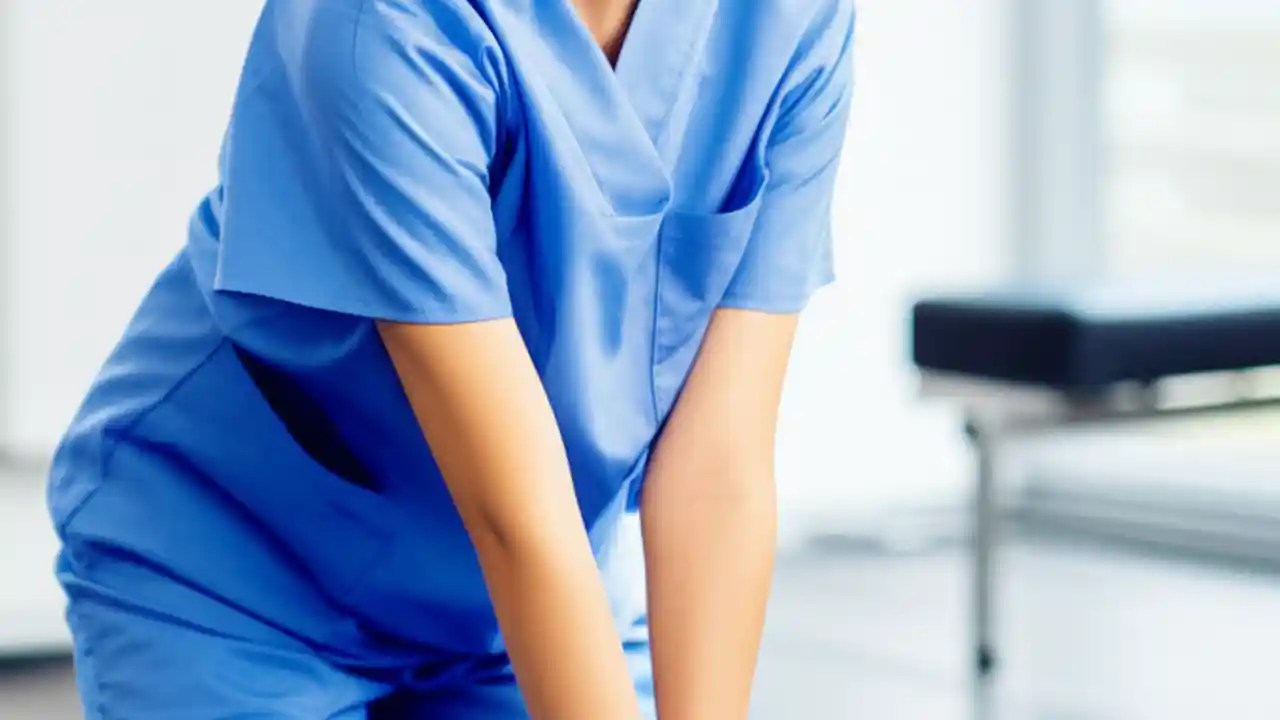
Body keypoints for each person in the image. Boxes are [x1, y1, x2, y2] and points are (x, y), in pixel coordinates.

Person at [47, 0, 855, 717]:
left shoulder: (792, 20)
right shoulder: (382, 19)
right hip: (233, 571)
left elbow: (717, 466)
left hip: (505, 611)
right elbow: (517, 516)